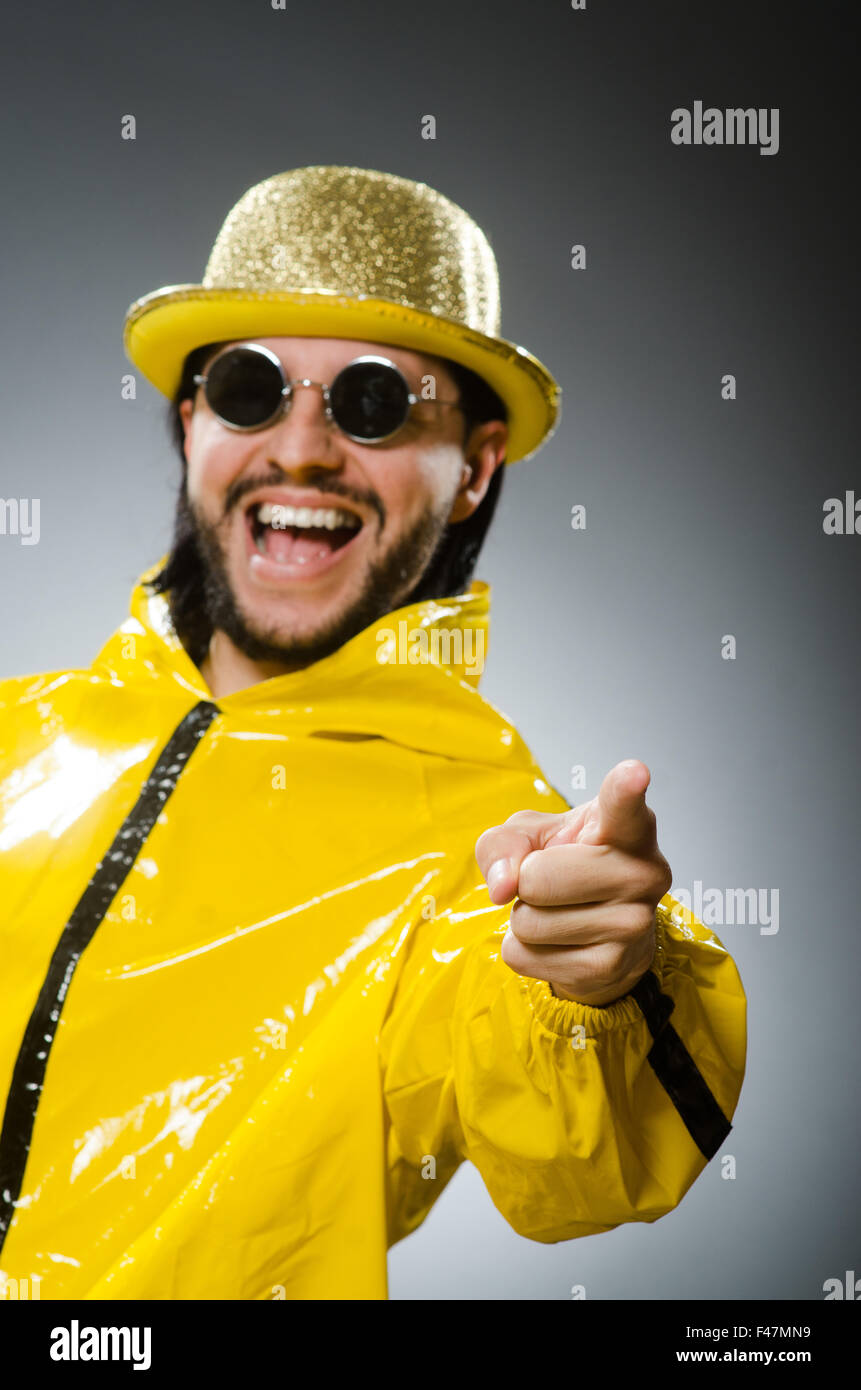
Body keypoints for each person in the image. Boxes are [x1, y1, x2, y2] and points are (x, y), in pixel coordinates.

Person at [0, 165, 746, 1301]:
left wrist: (604, 980)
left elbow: (584, 1157)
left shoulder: (490, 849)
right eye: (250, 388)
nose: (300, 449)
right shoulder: (18, 730)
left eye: (371, 402)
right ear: (193, 420)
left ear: (474, 469)